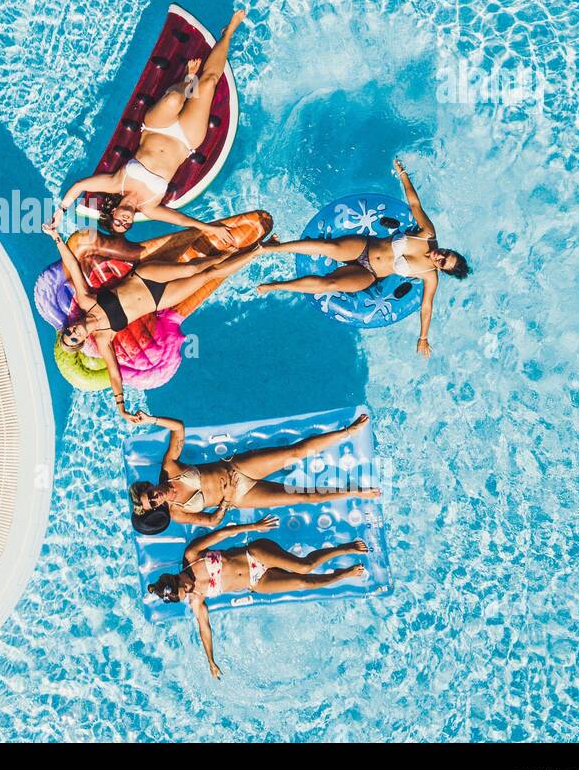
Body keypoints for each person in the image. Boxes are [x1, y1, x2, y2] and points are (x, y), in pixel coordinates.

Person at [46, 10, 249, 242]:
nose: (125, 220)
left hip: (157, 128)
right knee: (210, 82)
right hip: (186, 141)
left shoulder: (115, 183)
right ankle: (229, 32)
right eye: (127, 226)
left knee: (173, 100)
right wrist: (210, 229)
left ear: (112, 212)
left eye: (118, 222)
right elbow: (182, 220)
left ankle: (186, 82)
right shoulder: (150, 207)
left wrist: (60, 212)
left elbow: (80, 185)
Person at [255, 158, 469, 357]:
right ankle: (273, 248)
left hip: (369, 273)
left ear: (441, 269)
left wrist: (423, 337)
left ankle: (275, 286)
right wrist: (403, 173)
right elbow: (415, 205)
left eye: (443, 262)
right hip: (364, 247)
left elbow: (426, 306)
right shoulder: (428, 234)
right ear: (449, 249)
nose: (440, 256)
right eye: (447, 254)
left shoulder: (430, 276)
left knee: (330, 284)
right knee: (327, 247)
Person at [47, 228, 264, 420]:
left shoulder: (86, 302)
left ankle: (230, 253)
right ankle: (257, 252)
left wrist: (56, 238)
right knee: (209, 275)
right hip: (160, 299)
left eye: (69, 332)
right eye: (74, 338)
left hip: (144, 276)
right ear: (82, 340)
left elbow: (74, 267)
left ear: (71, 325)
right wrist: (121, 407)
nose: (73, 332)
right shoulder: (104, 338)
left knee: (191, 269)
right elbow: (115, 374)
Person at [148, 522, 370, 677]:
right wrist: (211, 660)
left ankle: (345, 548)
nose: (189, 588)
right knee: (304, 583)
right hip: (256, 582)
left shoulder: (192, 556)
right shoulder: (195, 598)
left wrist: (253, 527)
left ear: (176, 578)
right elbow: (204, 628)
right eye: (185, 593)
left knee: (304, 566)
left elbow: (221, 534)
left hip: (254, 554)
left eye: (184, 586)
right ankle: (343, 574)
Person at [128, 412, 377, 529]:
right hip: (238, 497)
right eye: (152, 502)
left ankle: (348, 432)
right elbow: (212, 521)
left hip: (235, 469)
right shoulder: (178, 513)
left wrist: (150, 420)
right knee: (303, 496)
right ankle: (355, 493)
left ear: (148, 486)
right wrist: (226, 501)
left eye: (149, 493)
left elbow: (179, 428)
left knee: (296, 452)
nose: (154, 497)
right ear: (156, 507)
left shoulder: (170, 469)